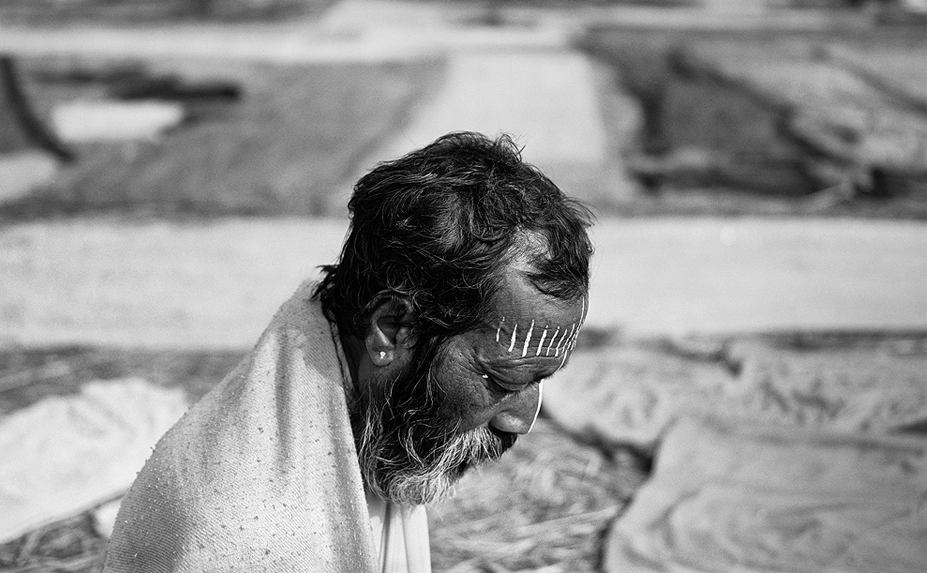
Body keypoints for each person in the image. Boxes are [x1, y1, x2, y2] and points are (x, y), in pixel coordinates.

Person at [102, 132, 594, 573]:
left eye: (540, 379)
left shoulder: (372, 407)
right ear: (391, 329)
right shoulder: (250, 541)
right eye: (504, 382)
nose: (522, 420)